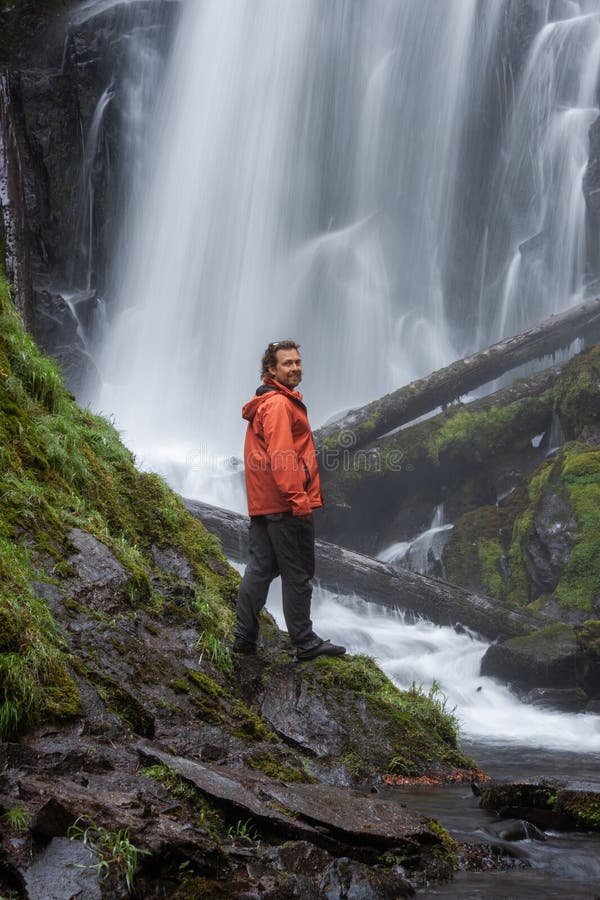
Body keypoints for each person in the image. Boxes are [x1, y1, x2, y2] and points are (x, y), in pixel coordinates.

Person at [232, 340, 346, 662]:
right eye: (287, 364)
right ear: (271, 370)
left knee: (259, 569)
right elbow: (282, 456)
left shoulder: (267, 403)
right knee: (297, 573)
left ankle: (243, 638)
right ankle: (305, 641)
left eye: (297, 362)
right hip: (284, 504)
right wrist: (299, 501)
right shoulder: (279, 405)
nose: (295, 368)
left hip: (264, 504)